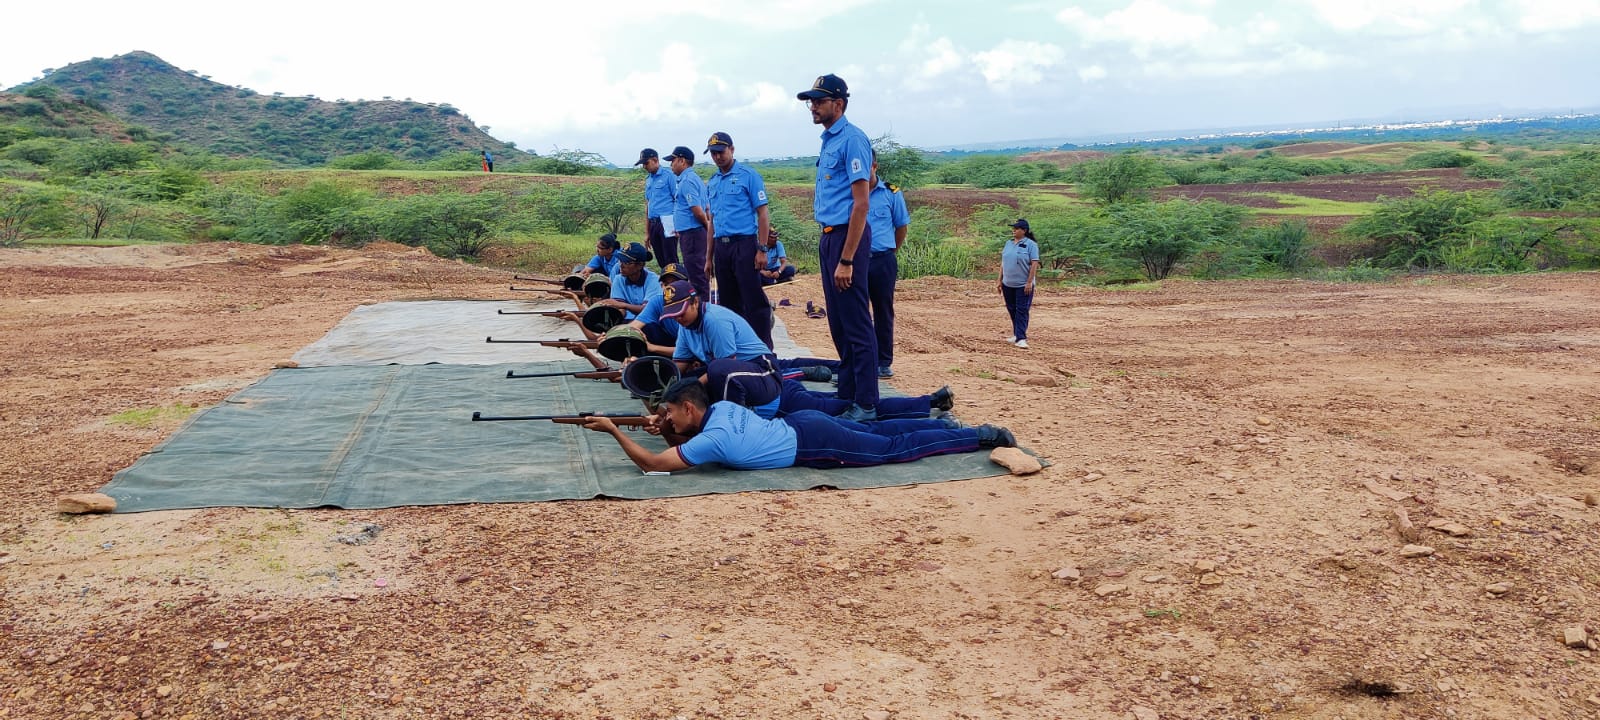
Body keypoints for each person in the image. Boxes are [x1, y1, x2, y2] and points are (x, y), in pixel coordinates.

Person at [578, 379, 1016, 473]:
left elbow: (655, 465)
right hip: (804, 424)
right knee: (887, 435)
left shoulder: (714, 437)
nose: (666, 418)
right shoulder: (723, 410)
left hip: (812, 442)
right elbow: (679, 440)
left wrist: (615, 430)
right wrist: (665, 427)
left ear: (689, 409)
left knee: (895, 448)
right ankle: (962, 428)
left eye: (670, 412)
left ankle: (979, 436)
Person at [797, 73, 878, 421]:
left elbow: (861, 203)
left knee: (857, 323)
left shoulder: (852, 139)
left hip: (848, 238)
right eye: (811, 101)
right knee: (839, 323)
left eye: (819, 100)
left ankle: (867, 403)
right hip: (829, 236)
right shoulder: (829, 141)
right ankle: (848, 390)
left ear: (839, 104)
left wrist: (846, 259)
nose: (812, 106)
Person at [704, 131, 776, 350]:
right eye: (713, 153)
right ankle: (736, 347)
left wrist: (762, 249)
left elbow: (763, 214)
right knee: (727, 302)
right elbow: (712, 223)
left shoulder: (748, 175)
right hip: (722, 248)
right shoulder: (713, 182)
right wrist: (709, 258)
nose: (717, 157)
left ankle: (764, 349)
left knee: (753, 299)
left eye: (721, 152)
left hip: (744, 245)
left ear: (732, 150)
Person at [865, 152, 910, 378]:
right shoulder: (850, 192)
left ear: (875, 166)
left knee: (883, 311)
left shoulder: (891, 193)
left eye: (867, 165)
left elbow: (901, 227)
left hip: (883, 260)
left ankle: (883, 361)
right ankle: (862, 360)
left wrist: (891, 250)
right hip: (856, 262)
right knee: (858, 313)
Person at [667, 146, 713, 300]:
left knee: (696, 273)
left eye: (673, 161)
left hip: (693, 233)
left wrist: (709, 230)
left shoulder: (687, 181)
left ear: (682, 161)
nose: (671, 164)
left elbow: (698, 210)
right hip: (690, 232)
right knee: (696, 271)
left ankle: (703, 308)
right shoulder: (694, 179)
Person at [635, 148, 680, 270]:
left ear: (655, 160)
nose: (644, 166)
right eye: (643, 164)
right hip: (653, 223)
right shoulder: (648, 180)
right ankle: (666, 285)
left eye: (646, 163)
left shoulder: (669, 176)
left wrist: (678, 225)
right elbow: (648, 205)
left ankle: (678, 286)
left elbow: (678, 201)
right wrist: (647, 232)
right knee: (660, 259)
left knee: (671, 259)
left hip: (667, 222)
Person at [1000, 218, 1041, 349]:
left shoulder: (1031, 245)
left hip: (1023, 284)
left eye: (1017, 228)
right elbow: (1003, 263)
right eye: (1013, 228)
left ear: (1024, 230)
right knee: (1011, 308)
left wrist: (1029, 282)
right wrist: (999, 280)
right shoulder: (1008, 243)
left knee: (1022, 310)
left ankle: (1021, 338)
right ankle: (1016, 334)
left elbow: (1034, 263)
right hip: (1008, 283)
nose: (1014, 230)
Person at [599, 242, 660, 320]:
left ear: (640, 265)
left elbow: (649, 310)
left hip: (649, 322)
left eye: (626, 262)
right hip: (628, 320)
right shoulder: (618, 279)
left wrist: (624, 305)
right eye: (620, 260)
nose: (621, 265)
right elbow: (620, 308)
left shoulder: (653, 280)